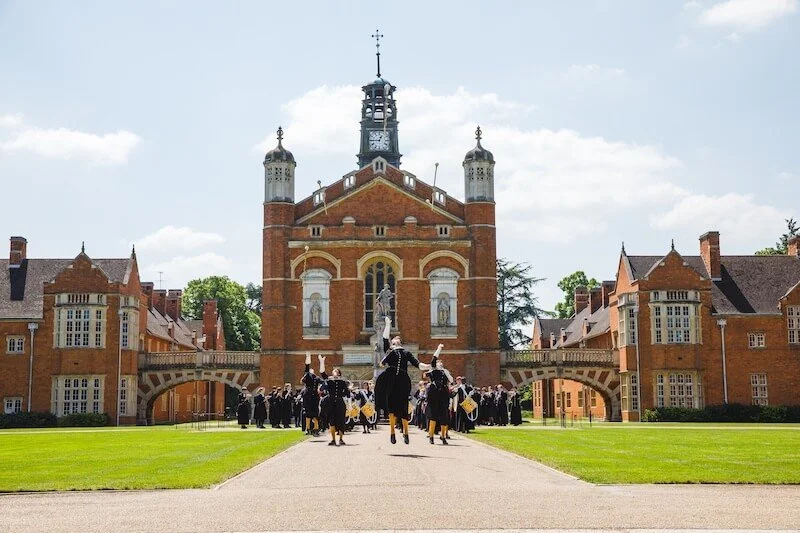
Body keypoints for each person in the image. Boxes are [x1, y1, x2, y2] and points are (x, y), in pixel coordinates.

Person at [374, 316, 434, 444]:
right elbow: (384, 339)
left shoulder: (407, 353)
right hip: (391, 380)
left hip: (402, 381)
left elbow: (418, 364)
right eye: (393, 340)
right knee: (391, 407)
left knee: (403, 407)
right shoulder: (390, 352)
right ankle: (392, 432)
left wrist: (428, 366)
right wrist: (388, 325)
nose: (395, 340)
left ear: (400, 343)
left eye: (397, 340)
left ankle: (406, 432)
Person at [318, 355, 350, 446]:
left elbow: (347, 393)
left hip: (340, 403)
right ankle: (333, 439)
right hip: (330, 403)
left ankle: (341, 439)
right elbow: (322, 373)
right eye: (333, 372)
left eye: (336, 372)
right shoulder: (329, 381)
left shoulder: (342, 382)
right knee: (331, 421)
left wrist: (349, 405)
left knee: (341, 421)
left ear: (339, 374)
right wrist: (322, 362)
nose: (334, 373)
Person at [423, 344, 450, 444]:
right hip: (433, 393)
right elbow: (434, 358)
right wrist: (439, 348)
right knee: (433, 415)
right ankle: (431, 436)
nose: (440, 364)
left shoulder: (445, 372)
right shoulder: (433, 370)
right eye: (439, 363)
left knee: (444, 415)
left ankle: (443, 436)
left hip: (443, 393)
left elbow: (449, 381)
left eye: (441, 363)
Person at [301, 352, 322, 436]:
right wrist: (308, 358)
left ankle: (315, 429)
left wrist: (320, 389)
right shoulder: (308, 376)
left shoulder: (316, 378)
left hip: (314, 397)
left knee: (315, 414)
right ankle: (308, 428)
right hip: (308, 396)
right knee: (308, 414)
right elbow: (307, 367)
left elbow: (324, 382)